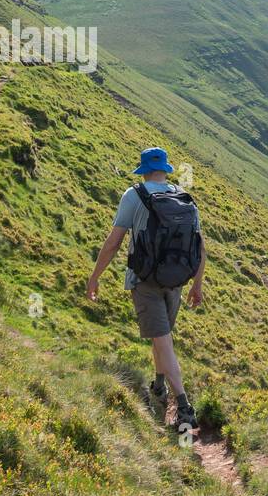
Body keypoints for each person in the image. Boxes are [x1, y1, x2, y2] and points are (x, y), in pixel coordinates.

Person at [86, 147, 205, 429]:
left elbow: (114, 241)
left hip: (145, 282)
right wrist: (197, 284)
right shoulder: (183, 197)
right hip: (176, 281)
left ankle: (184, 405)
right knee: (160, 337)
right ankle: (159, 384)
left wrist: (94, 276)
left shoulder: (135, 195)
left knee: (163, 341)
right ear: (165, 169)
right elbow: (200, 246)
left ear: (143, 170)